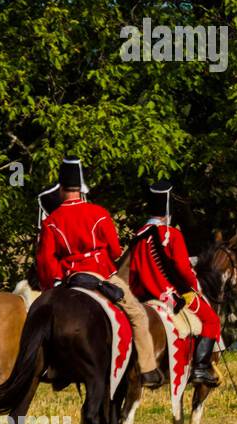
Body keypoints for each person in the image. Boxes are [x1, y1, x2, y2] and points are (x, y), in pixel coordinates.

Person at [35, 157, 163, 387]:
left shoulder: (51, 221)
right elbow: (114, 250)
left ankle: (50, 365)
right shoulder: (98, 213)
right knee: (137, 314)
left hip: (71, 279)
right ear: (79, 188)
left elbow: (46, 261)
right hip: (101, 274)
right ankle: (148, 369)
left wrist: (51, 286)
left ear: (62, 189)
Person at [123, 180, 223, 386]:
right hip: (170, 296)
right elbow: (184, 271)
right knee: (211, 319)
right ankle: (201, 368)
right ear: (168, 207)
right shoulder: (171, 235)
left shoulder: (138, 236)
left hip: (145, 296)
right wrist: (195, 286)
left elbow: (133, 273)